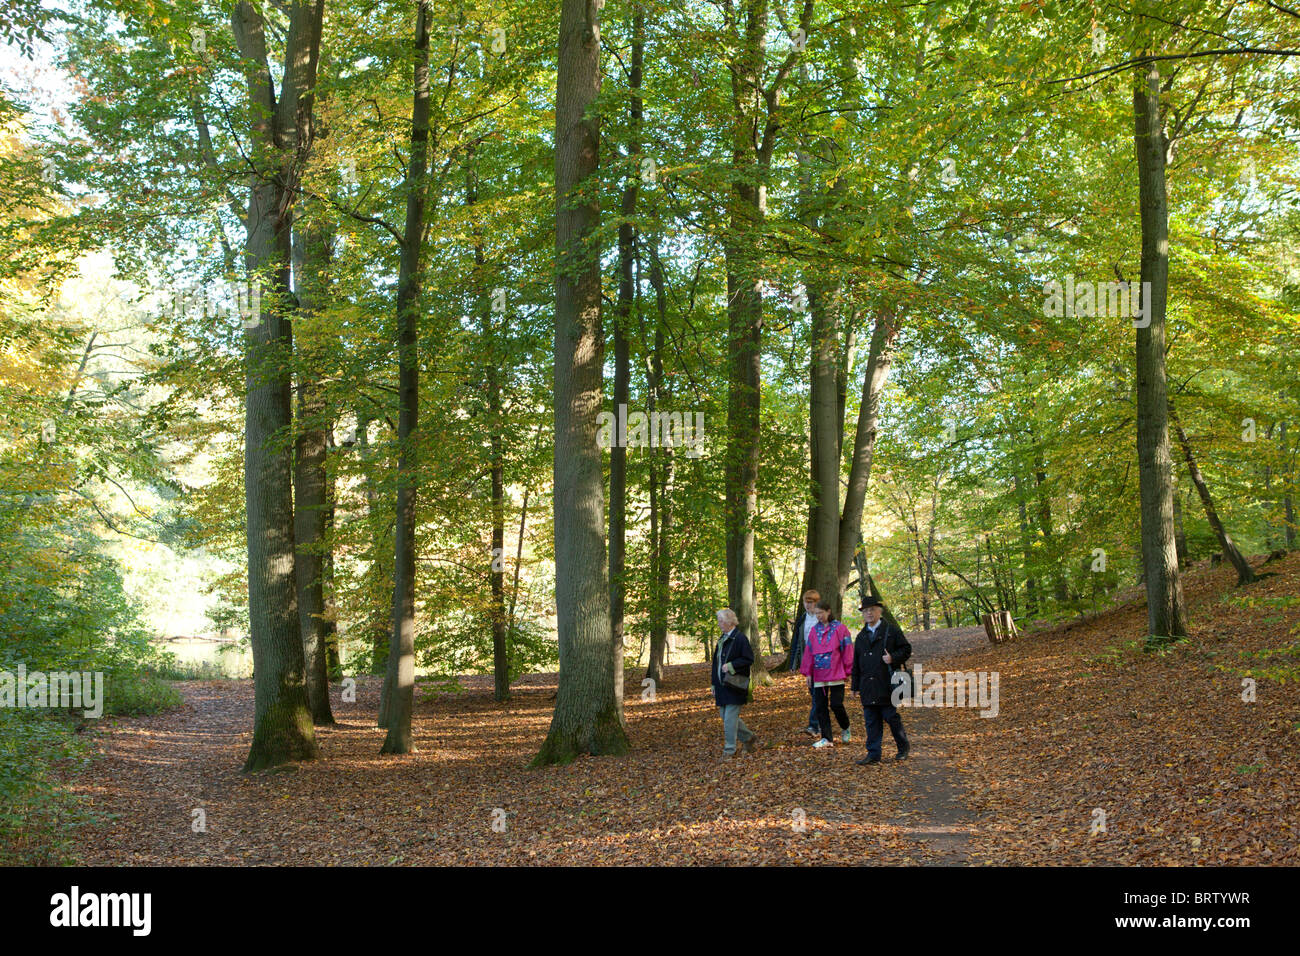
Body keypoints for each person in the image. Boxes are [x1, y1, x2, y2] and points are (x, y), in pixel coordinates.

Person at [850, 596, 912, 765]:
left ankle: (903, 747)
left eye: (872, 610)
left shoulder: (891, 630)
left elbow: (906, 649)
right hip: (867, 686)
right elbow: (856, 663)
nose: (868, 613)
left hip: (887, 684)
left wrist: (893, 658)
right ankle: (873, 753)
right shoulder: (861, 637)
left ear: (879, 611)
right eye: (865, 611)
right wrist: (854, 686)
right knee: (871, 721)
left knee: (891, 717)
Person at [799, 597, 854, 750]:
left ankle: (845, 727)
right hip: (818, 675)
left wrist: (848, 670)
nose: (819, 616)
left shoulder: (840, 629)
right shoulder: (814, 631)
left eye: (821, 613)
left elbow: (847, 650)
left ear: (828, 611)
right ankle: (826, 738)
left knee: (836, 704)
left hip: (836, 673)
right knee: (820, 707)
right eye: (816, 613)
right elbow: (809, 653)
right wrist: (808, 674)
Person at [711, 608, 757, 759]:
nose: (719, 624)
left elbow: (748, 659)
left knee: (729, 718)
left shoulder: (739, 638)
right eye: (719, 621)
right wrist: (713, 684)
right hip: (722, 685)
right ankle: (748, 737)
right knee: (725, 716)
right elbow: (715, 663)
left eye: (721, 621)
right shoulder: (722, 639)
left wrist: (731, 666)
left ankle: (729, 750)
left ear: (730, 622)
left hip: (735, 685)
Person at [789, 589, 821, 736]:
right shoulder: (803, 618)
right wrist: (793, 663)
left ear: (816, 603)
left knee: (817, 693)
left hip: (821, 660)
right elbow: (796, 641)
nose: (808, 606)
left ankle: (814, 725)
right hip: (807, 660)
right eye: (805, 602)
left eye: (811, 603)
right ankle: (819, 723)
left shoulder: (822, 617)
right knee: (814, 692)